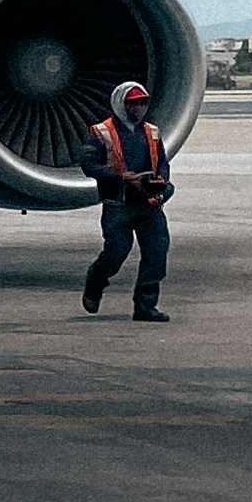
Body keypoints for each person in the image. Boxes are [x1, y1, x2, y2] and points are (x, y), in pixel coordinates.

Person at [80, 79, 173, 322]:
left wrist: (161, 181)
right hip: (118, 204)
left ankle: (145, 306)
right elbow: (88, 165)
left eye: (143, 103)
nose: (140, 108)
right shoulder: (100, 133)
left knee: (156, 254)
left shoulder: (152, 132)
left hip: (148, 203)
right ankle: (96, 279)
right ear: (121, 104)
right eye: (134, 103)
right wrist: (120, 177)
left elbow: (162, 161)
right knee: (116, 253)